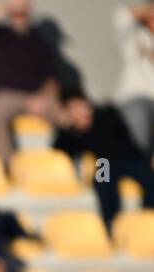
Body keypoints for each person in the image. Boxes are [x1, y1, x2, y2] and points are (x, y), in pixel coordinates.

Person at [0, 0, 67, 164]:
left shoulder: (40, 44)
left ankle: (71, 160)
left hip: (37, 96)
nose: (19, 17)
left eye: (23, 13)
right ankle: (10, 164)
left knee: (65, 115)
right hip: (4, 96)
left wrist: (42, 98)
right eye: (16, 14)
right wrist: (8, 5)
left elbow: (52, 80)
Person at [53, 91, 154, 230]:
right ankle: (110, 223)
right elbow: (62, 150)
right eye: (74, 108)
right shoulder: (74, 133)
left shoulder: (107, 113)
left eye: (81, 105)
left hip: (131, 158)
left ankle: (148, 221)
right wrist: (66, 129)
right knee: (103, 182)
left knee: (150, 182)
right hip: (104, 162)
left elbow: (116, 138)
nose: (80, 111)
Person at [112, 4, 154, 158]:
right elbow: (121, 17)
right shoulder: (135, 36)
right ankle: (136, 169)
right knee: (139, 132)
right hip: (135, 98)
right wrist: (147, 10)